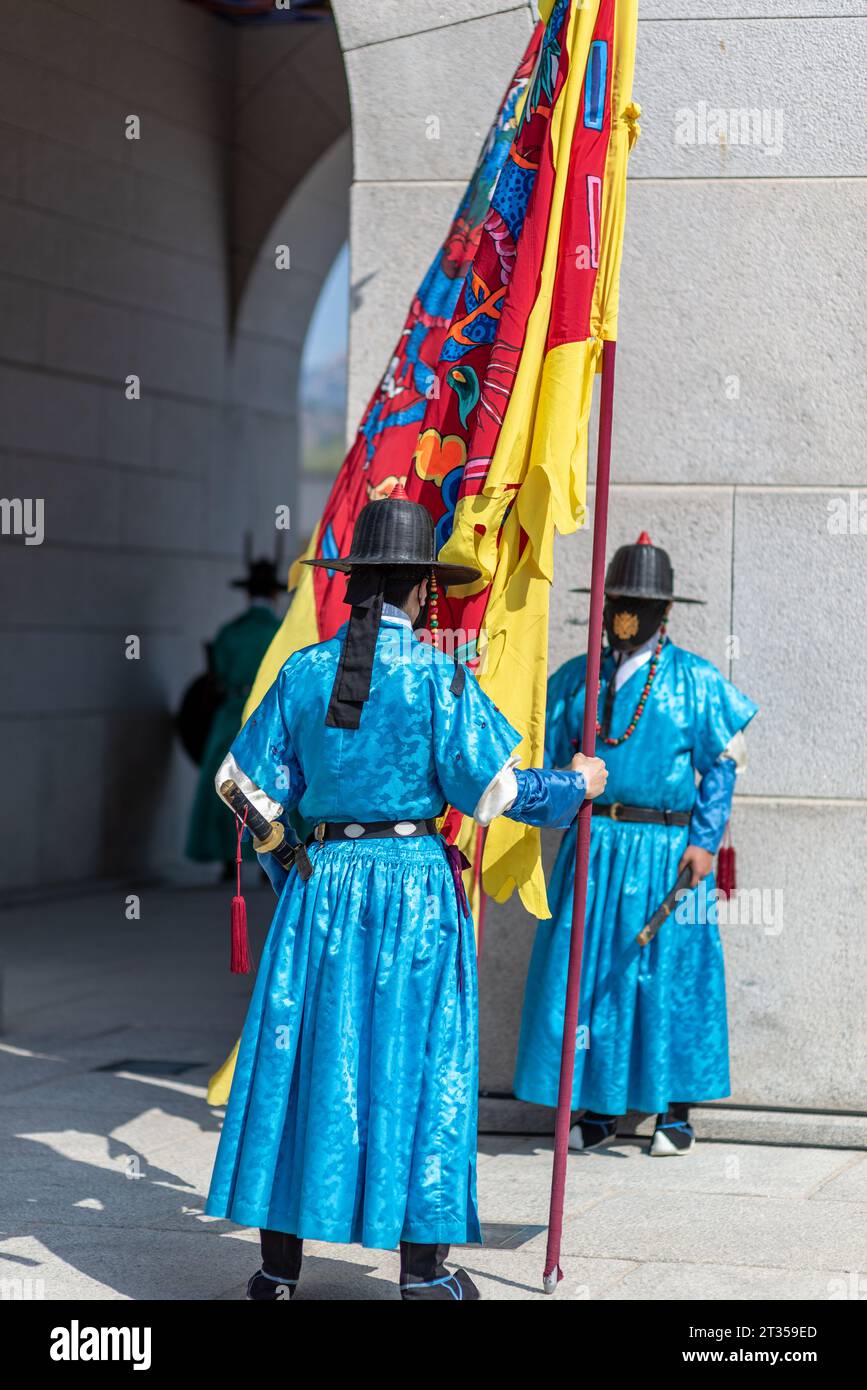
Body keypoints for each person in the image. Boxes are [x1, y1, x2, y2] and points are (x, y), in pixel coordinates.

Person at [203, 489, 607, 1300]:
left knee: (304, 1059)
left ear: (354, 582)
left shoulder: (304, 671)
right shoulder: (435, 676)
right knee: (420, 1068)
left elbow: (237, 787)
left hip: (323, 892)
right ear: (422, 588)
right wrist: (576, 783)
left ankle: (276, 1272)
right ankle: (423, 1277)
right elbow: (493, 790)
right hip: (413, 891)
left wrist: (293, 864)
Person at [513, 533, 758, 1156]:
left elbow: (723, 765)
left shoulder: (696, 681)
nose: (626, 612)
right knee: (590, 974)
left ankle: (675, 1109)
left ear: (665, 612)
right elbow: (542, 759)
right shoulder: (576, 679)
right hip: (594, 846)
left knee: (667, 974)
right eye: (616, 598)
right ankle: (598, 1105)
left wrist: (705, 841)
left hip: (664, 848)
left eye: (639, 602)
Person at [185, 556, 282, 874]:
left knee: (222, 780)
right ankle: (270, 854)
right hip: (266, 715)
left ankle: (229, 857)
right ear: (274, 595)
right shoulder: (280, 632)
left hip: (230, 714)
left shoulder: (229, 632)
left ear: (247, 594)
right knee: (271, 783)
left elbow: (218, 677)